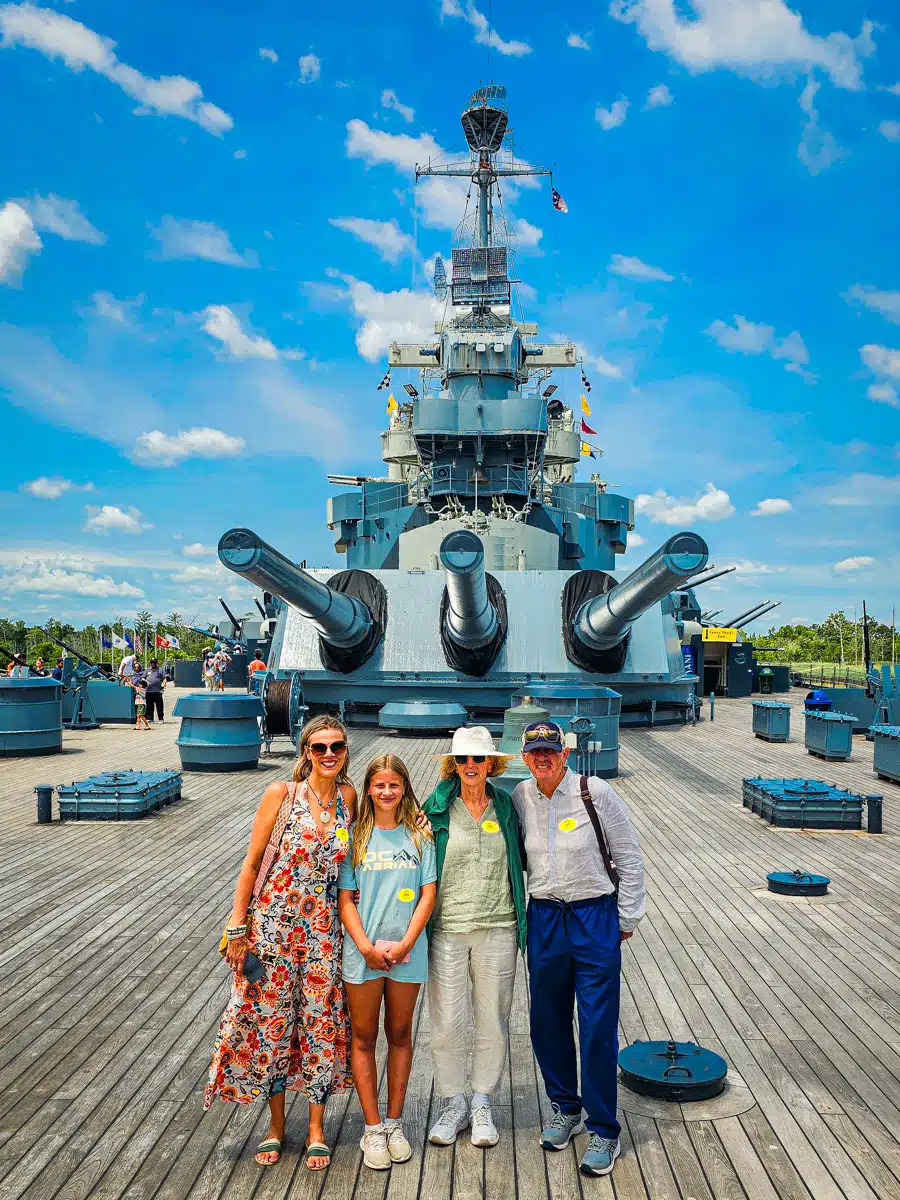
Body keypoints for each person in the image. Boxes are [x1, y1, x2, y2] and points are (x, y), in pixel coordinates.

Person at [205, 715, 357, 1172]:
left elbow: (381, 833)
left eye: (336, 747)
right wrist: (238, 928)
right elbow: (251, 864)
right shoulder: (280, 795)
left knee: (318, 1024)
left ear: (346, 751)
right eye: (319, 748)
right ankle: (275, 1126)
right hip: (272, 929)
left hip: (322, 935)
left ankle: (315, 1128)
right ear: (305, 752)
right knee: (270, 1024)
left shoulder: (349, 798)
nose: (328, 755)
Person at [512, 721, 646, 1178]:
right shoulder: (521, 798)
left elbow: (628, 856)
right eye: (535, 752)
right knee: (546, 1023)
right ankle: (564, 1107)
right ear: (524, 757)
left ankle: (604, 1128)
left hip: (593, 916)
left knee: (596, 1026)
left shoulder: (596, 793)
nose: (543, 758)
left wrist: (625, 918)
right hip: (546, 917)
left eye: (551, 751)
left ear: (564, 754)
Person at [421, 726, 527, 1150]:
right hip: (447, 928)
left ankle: (482, 1101)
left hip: (498, 925)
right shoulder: (436, 808)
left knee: (493, 1023)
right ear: (453, 764)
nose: (470, 767)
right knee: (447, 1022)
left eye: (479, 760)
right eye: (463, 759)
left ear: (492, 765)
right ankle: (453, 1103)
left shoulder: (505, 806)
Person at [338, 755, 436, 1171]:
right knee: (363, 1036)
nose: (386, 792)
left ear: (404, 788)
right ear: (368, 788)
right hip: (363, 953)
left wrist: (405, 942)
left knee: (399, 1032)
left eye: (394, 785)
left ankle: (395, 1122)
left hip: (406, 952)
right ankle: (372, 1126)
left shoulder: (420, 836)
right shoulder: (355, 836)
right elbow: (345, 899)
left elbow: (428, 893)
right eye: (378, 785)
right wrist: (364, 947)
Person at [143, 658, 167, 723]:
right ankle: (150, 718)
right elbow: (143, 678)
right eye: (152, 662)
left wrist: (164, 685)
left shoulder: (160, 670)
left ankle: (161, 719)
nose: (153, 664)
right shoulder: (147, 670)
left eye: (154, 663)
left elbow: (164, 678)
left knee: (159, 706)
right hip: (148, 691)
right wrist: (144, 683)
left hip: (157, 691)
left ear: (156, 663)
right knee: (149, 705)